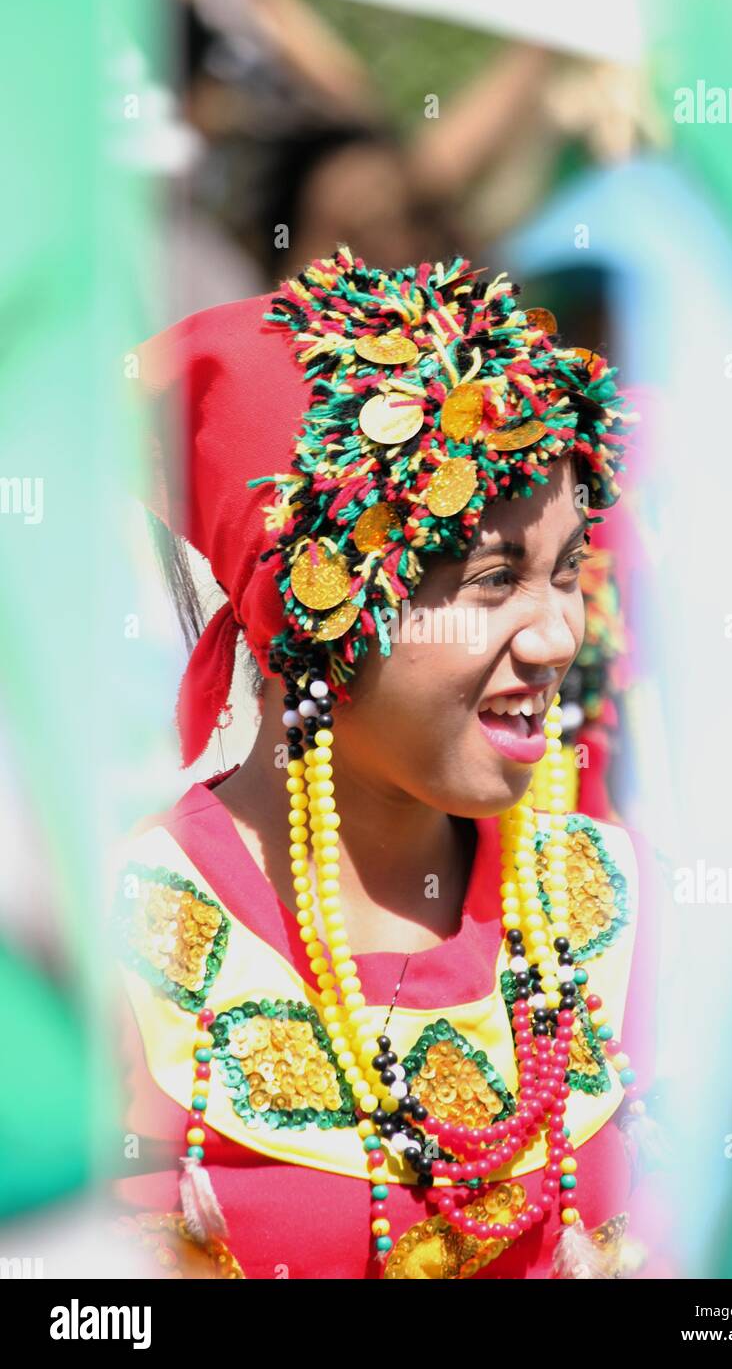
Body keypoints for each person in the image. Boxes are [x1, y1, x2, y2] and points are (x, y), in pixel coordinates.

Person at [109, 244, 667, 1279]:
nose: (554, 638)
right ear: (314, 614)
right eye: (491, 577)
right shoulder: (126, 939)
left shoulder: (603, 900)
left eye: (563, 572)